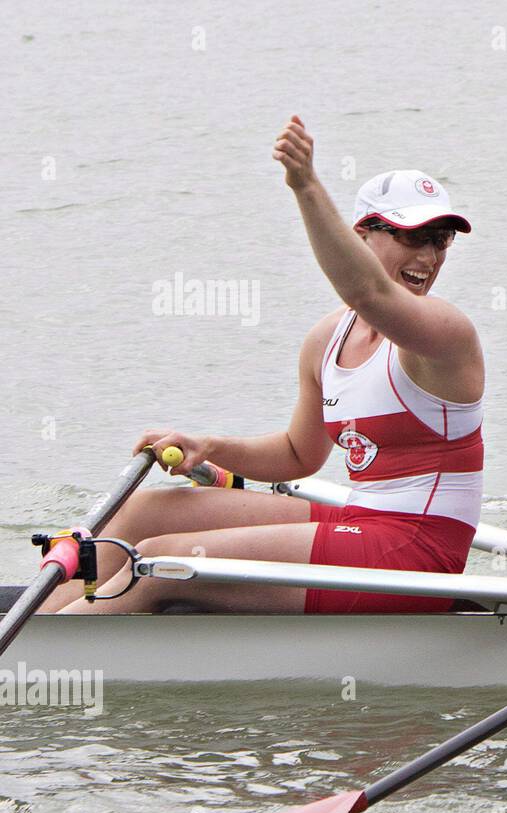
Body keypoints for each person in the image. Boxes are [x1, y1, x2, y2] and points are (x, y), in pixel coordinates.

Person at [50, 116, 484, 615]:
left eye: (441, 239)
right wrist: (207, 446)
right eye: (414, 237)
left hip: (417, 553)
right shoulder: (328, 339)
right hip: (363, 521)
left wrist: (305, 187)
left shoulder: (445, 334)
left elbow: (369, 291)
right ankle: (45, 629)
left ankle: (47, 657)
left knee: (161, 560)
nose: (429, 256)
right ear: (363, 236)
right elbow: (299, 454)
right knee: (143, 513)